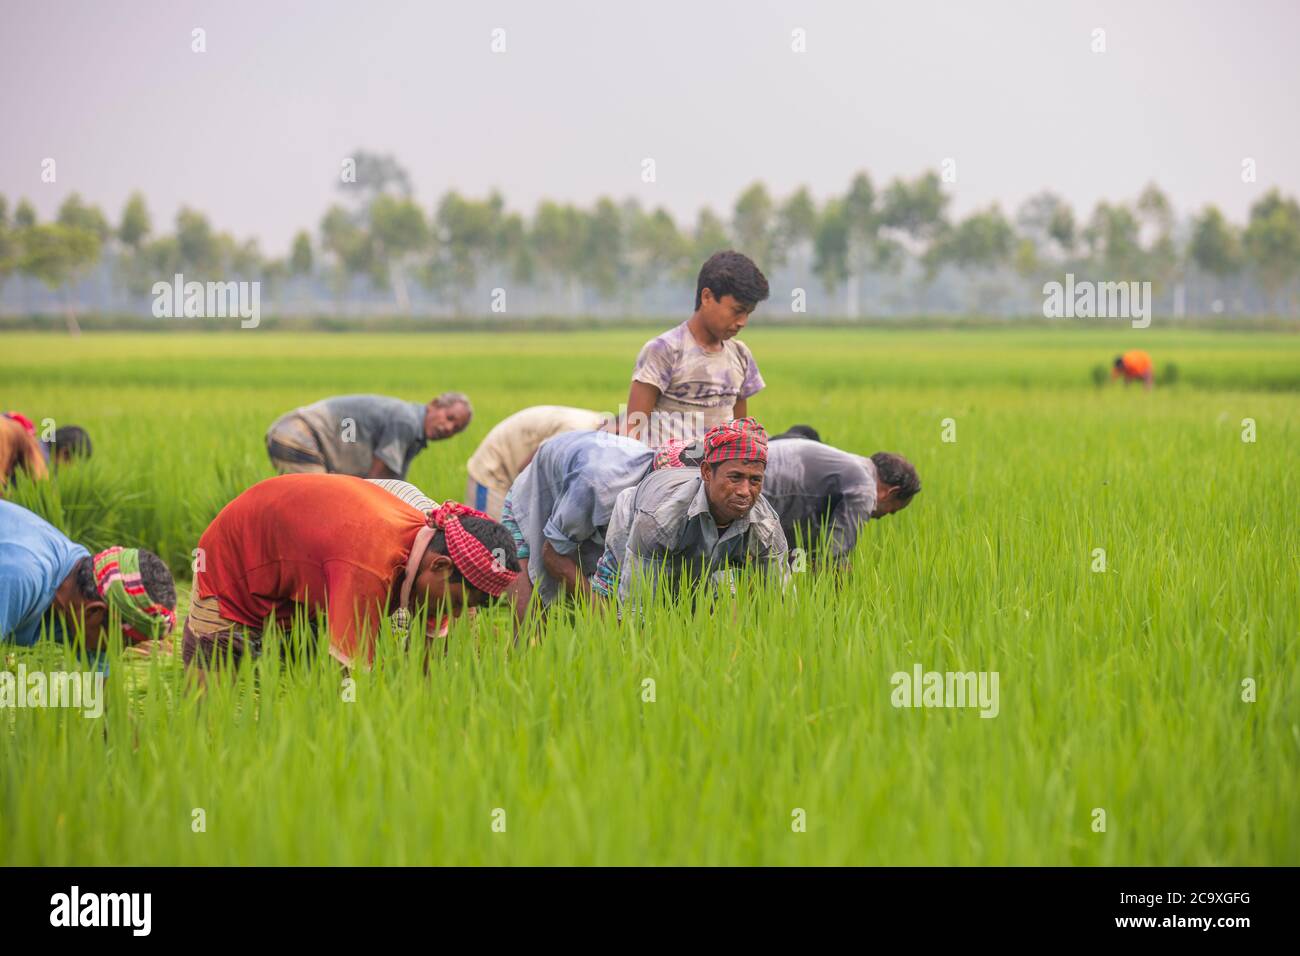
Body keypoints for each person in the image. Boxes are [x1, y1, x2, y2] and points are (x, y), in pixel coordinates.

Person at [184, 475, 518, 675]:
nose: (456, 614)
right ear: (441, 566)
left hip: (307, 577)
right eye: (459, 603)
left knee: (308, 672)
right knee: (205, 711)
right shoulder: (370, 566)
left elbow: (425, 667)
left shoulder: (430, 562)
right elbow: (348, 682)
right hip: (239, 558)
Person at [592, 418, 788, 609]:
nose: (745, 491)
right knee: (614, 585)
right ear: (707, 472)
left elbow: (780, 602)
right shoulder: (659, 518)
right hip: (638, 513)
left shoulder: (765, 525)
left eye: (755, 480)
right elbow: (635, 608)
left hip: (698, 540)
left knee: (712, 594)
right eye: (735, 477)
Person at [623, 250, 768, 444]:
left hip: (717, 471)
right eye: (737, 311)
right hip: (668, 469)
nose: (743, 322)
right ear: (707, 297)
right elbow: (633, 431)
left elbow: (739, 434)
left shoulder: (740, 355)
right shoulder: (665, 350)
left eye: (748, 313)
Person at [501, 430, 654, 614]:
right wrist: (605, 615)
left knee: (586, 611)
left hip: (575, 513)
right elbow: (552, 555)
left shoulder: (654, 498)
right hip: (532, 500)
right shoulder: (597, 485)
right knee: (529, 623)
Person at [0, 499, 177, 653]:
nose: (119, 652)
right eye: (122, 643)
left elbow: (99, 684)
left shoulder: (81, 589)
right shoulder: (17, 579)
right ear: (94, 611)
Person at [763, 438, 920, 564]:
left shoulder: (850, 466)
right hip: (757, 488)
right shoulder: (864, 488)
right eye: (892, 510)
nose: (885, 515)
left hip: (749, 473)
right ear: (891, 492)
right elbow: (834, 558)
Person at [265, 392, 472, 479]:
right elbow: (378, 480)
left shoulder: (410, 426)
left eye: (455, 429)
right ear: (434, 405)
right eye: (449, 417)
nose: (447, 428)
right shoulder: (406, 421)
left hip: (291, 434)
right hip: (298, 435)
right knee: (318, 505)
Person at [465, 405, 610, 519]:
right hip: (494, 471)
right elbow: (530, 469)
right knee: (487, 543)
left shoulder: (603, 427)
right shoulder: (575, 432)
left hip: (515, 475)